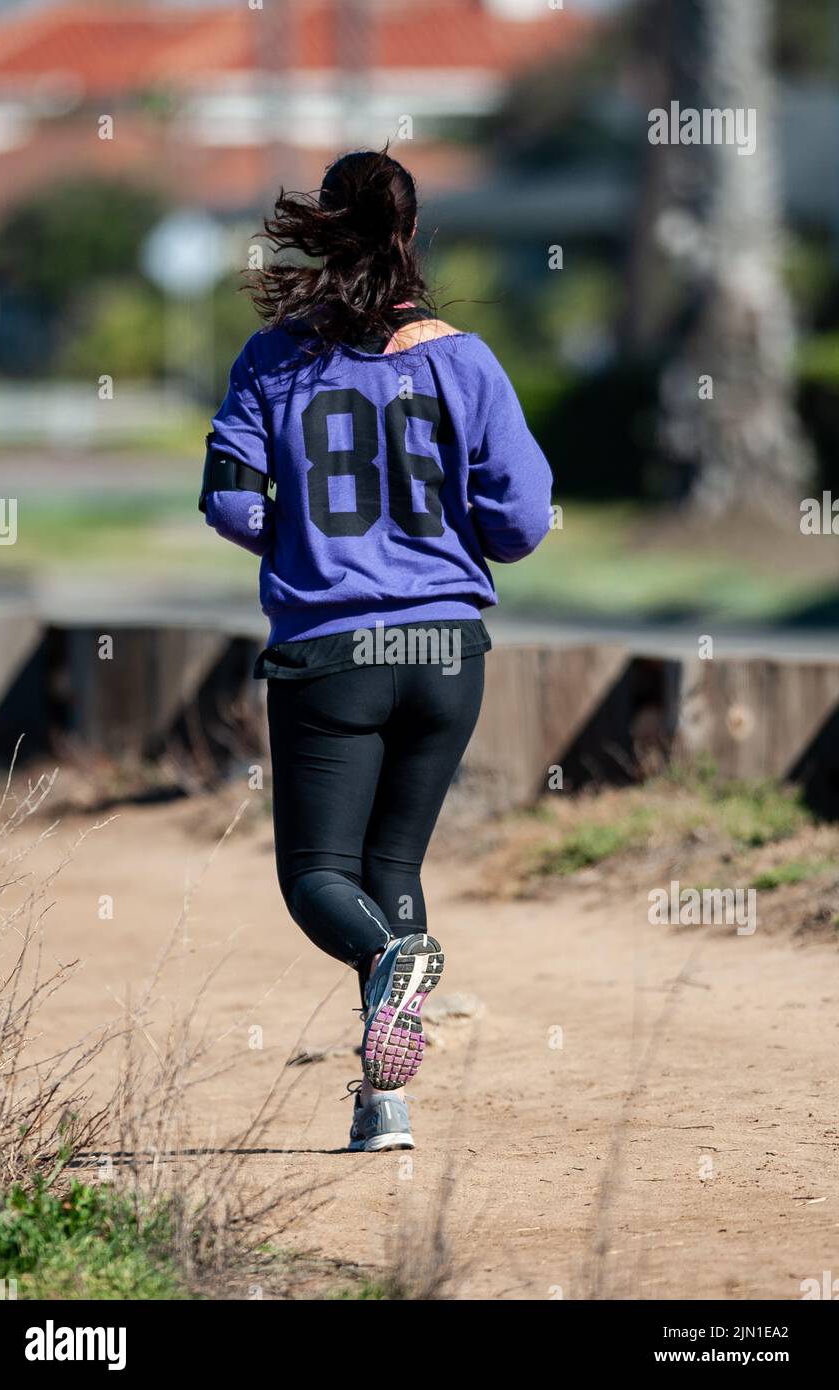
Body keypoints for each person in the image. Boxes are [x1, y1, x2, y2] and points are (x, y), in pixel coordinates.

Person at [200, 149, 552, 1152]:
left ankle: (394, 968)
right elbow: (523, 521)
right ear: (410, 230)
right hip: (451, 653)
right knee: (393, 862)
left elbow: (229, 501)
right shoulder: (468, 358)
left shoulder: (272, 358)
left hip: (328, 651)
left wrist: (309, 541)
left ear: (323, 222)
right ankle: (383, 1102)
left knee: (318, 875)